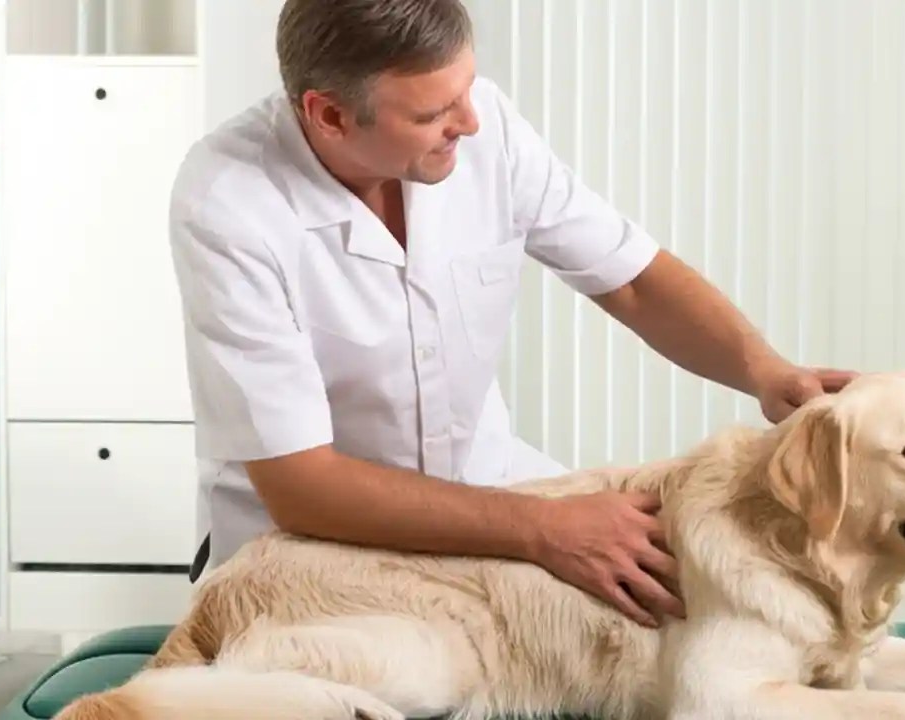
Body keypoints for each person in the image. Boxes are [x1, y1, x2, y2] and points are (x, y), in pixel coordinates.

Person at [167, 0, 856, 630]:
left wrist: (764, 372)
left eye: (466, 90)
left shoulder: (481, 126)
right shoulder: (230, 204)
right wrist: (544, 529)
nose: (468, 121)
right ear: (330, 115)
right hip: (308, 545)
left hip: (491, 486)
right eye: (434, 113)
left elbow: (634, 283)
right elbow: (303, 486)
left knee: (681, 613)